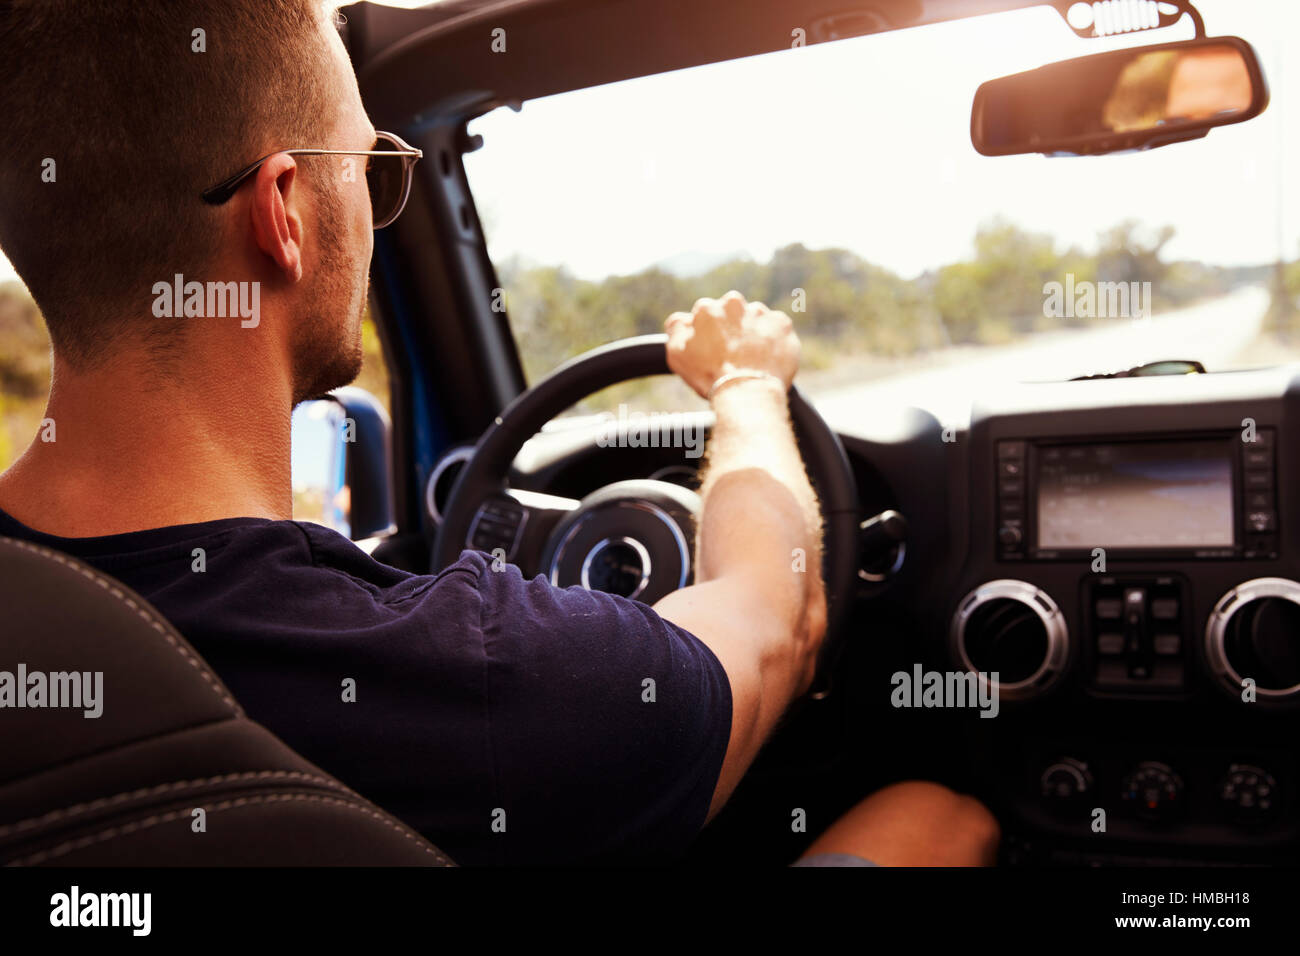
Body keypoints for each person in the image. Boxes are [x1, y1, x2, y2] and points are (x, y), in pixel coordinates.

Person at [0, 0, 997, 866]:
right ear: (286, 211)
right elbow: (777, 622)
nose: (373, 199)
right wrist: (743, 383)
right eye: (369, 163)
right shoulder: (487, 681)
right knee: (935, 812)